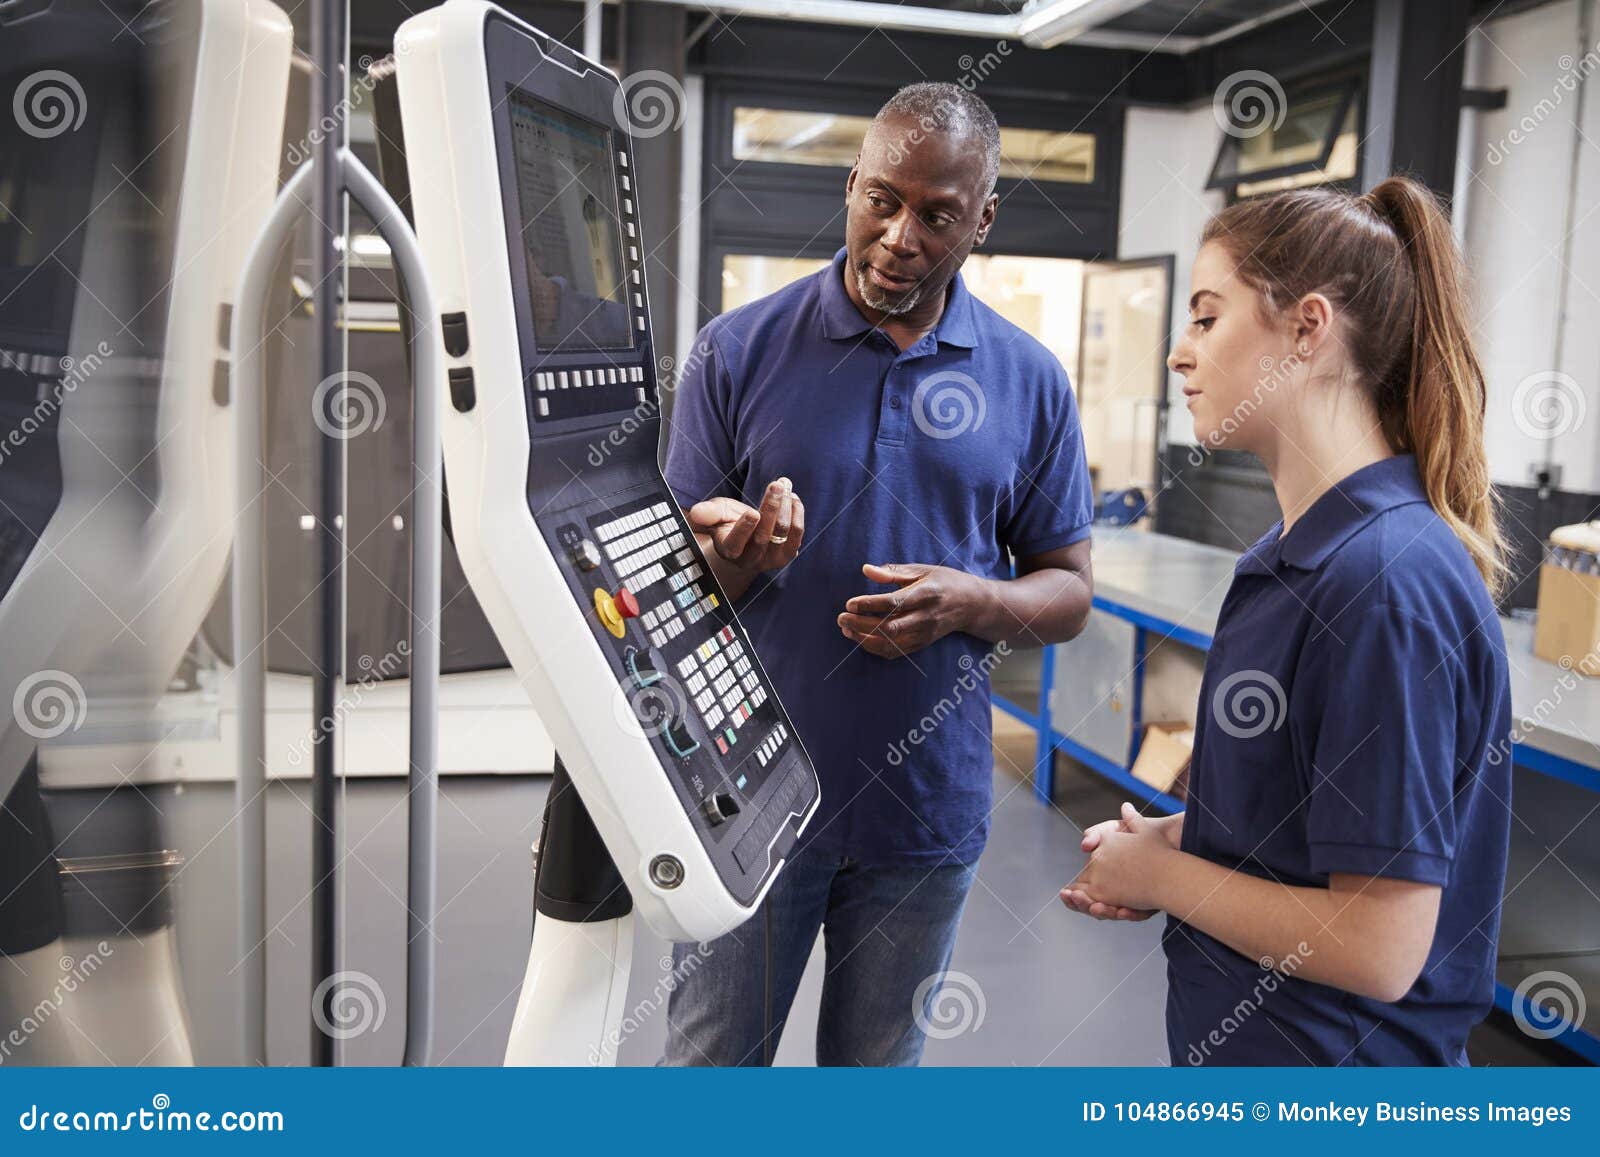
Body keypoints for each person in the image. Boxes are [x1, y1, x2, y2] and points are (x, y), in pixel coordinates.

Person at [661, 82, 1095, 1066]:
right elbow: (669, 588)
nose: (901, 235)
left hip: (923, 813)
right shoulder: (736, 351)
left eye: (937, 214)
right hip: (748, 805)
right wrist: (729, 555)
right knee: (705, 1069)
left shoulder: (1028, 380)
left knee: (871, 1082)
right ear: (852, 186)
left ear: (981, 219)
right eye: (882, 200)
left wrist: (971, 602)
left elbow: (1067, 587)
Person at [1059, 176, 1513, 1066]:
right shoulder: (1304, 555)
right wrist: (1177, 838)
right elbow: (1312, 823)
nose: (1178, 355)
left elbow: (1379, 946)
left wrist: (1163, 875)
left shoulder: (1381, 585)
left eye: (1206, 317)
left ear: (1306, 329)